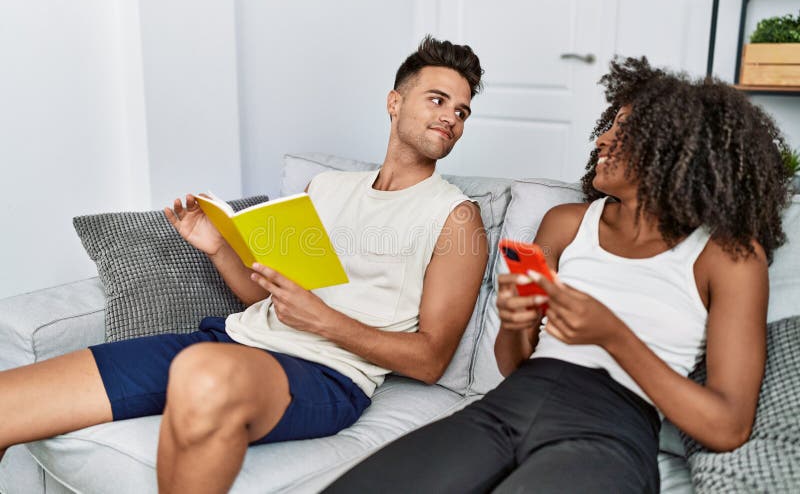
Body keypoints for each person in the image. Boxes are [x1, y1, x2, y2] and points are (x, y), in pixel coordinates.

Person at [0, 36, 489, 494]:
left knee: (202, 374)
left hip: (326, 373)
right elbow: (264, 295)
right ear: (394, 102)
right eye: (437, 99)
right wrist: (217, 247)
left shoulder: (455, 216)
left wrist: (322, 320)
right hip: (232, 340)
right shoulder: (327, 188)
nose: (451, 117)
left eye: (461, 111)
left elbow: (430, 360)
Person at [325, 57, 793, 493]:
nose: (602, 140)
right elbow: (513, 363)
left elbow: (728, 427)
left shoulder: (728, 256)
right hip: (508, 405)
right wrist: (515, 320)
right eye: (608, 126)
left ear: (674, 150)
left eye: (623, 130)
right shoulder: (568, 222)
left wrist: (613, 335)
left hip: (610, 431)